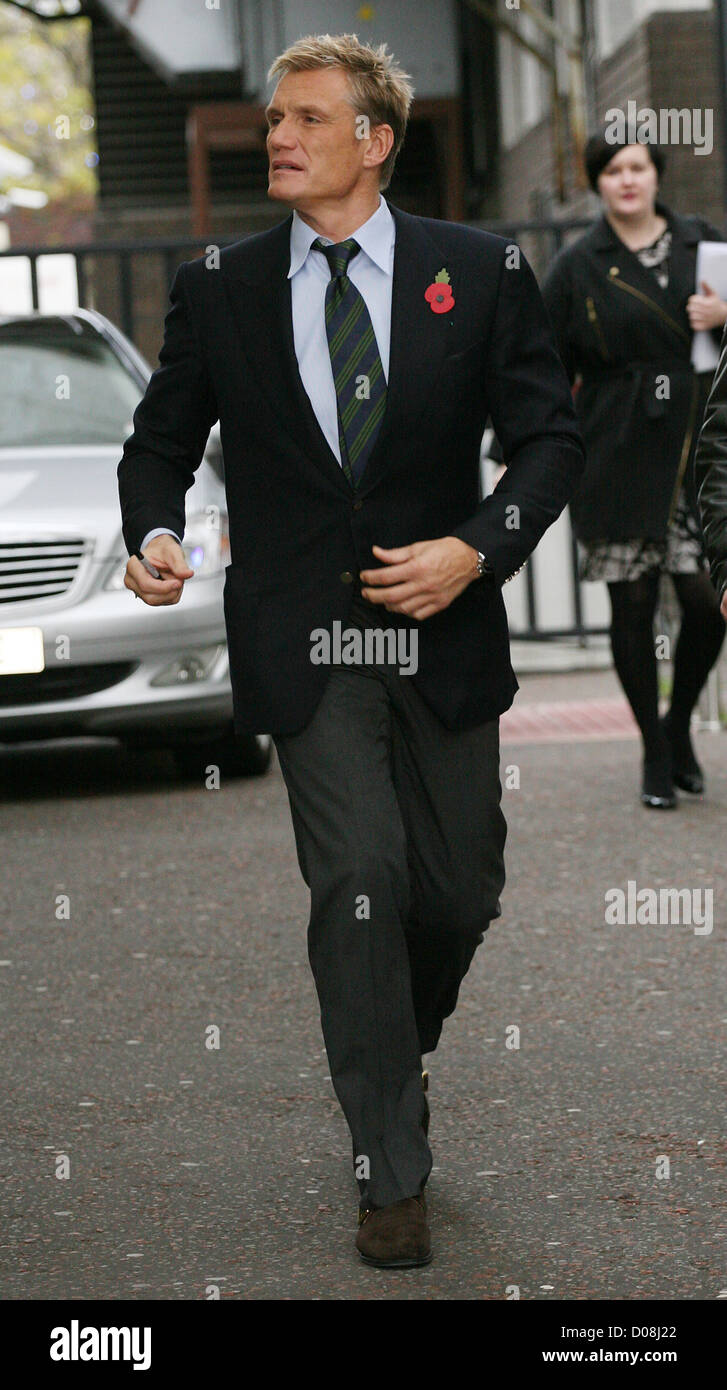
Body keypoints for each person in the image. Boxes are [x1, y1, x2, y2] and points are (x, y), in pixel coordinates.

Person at [117, 33, 584, 1269]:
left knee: (459, 889)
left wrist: (476, 549)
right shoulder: (218, 283)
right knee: (361, 879)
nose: (279, 136)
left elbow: (549, 442)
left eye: (309, 119)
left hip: (442, 637)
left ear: (375, 142)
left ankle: (390, 1038)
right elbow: (158, 442)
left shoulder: (477, 270)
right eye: (276, 117)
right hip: (303, 642)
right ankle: (390, 1162)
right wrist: (154, 530)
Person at [541, 136, 726, 809]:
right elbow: (546, 367)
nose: (626, 180)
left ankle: (678, 726)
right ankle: (652, 748)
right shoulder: (574, 266)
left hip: (694, 447)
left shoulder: (702, 242)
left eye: (637, 168)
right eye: (612, 170)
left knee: (707, 601)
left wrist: (725, 315)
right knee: (632, 606)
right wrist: (525, 443)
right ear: (597, 183)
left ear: (655, 175)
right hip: (615, 446)